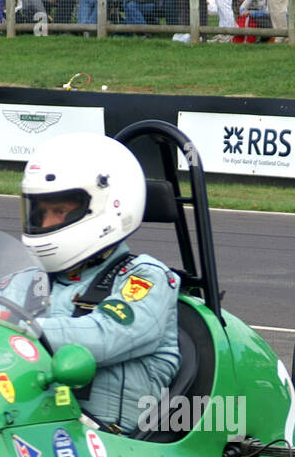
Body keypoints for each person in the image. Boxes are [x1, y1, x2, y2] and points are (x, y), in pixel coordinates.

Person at [20, 133, 181, 436]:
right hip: (26, 424)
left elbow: (105, 335)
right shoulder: (28, 277)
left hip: (108, 446)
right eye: (41, 212)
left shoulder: (145, 277)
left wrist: (13, 329)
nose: (45, 225)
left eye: (59, 212)